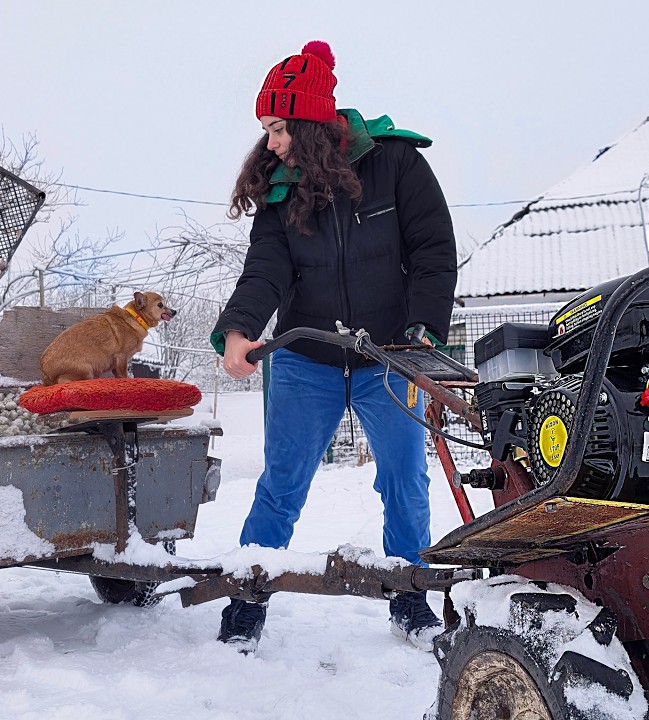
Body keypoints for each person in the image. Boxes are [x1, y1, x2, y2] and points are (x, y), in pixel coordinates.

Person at [211, 41, 458, 652]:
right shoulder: (280, 190)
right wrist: (239, 328)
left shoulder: (398, 164)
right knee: (283, 480)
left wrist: (423, 328)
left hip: (389, 355)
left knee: (404, 477)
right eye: (266, 130)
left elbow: (433, 252)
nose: (269, 143)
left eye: (276, 127)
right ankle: (249, 593)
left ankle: (409, 591)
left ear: (309, 122)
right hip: (306, 355)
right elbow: (265, 267)